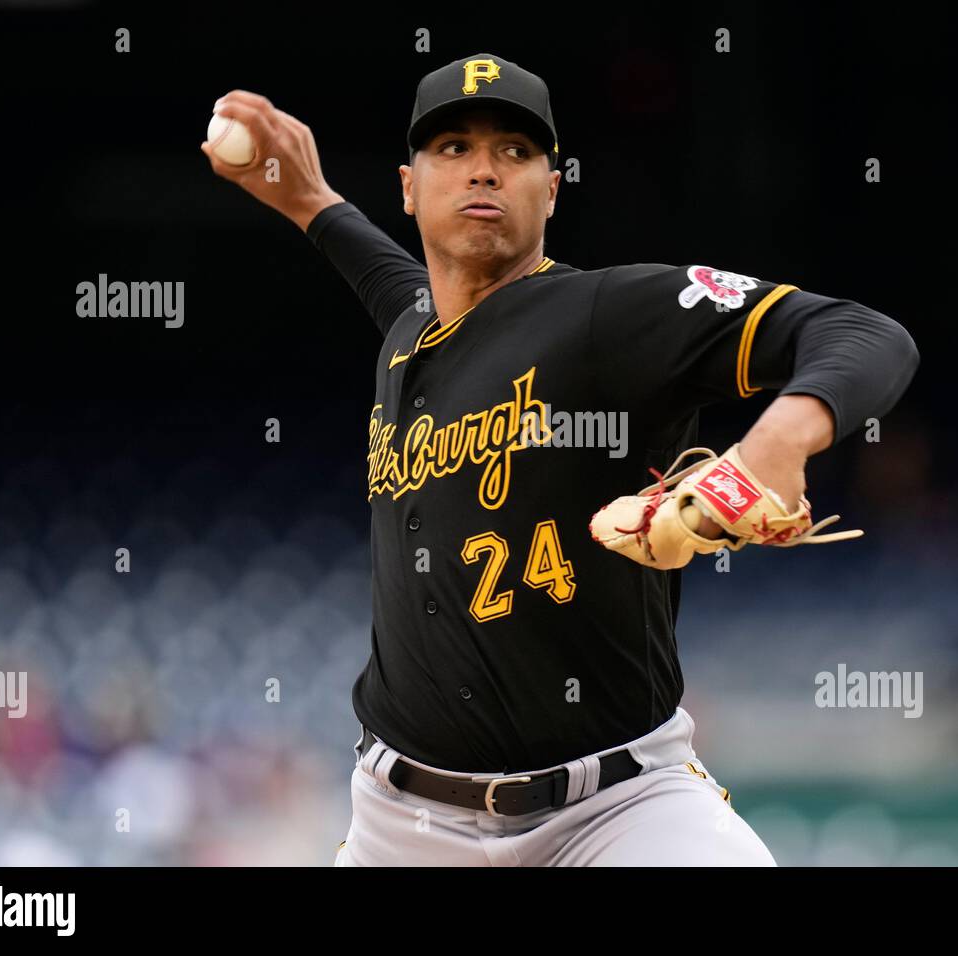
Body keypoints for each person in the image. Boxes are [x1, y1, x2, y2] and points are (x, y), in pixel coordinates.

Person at [202, 52, 919, 866]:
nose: (484, 171)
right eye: (453, 149)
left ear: (551, 187)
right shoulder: (411, 325)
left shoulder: (606, 316)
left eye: (514, 151)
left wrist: (773, 446)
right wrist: (308, 198)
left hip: (617, 811)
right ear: (408, 186)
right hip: (403, 827)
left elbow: (863, 334)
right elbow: (381, 269)